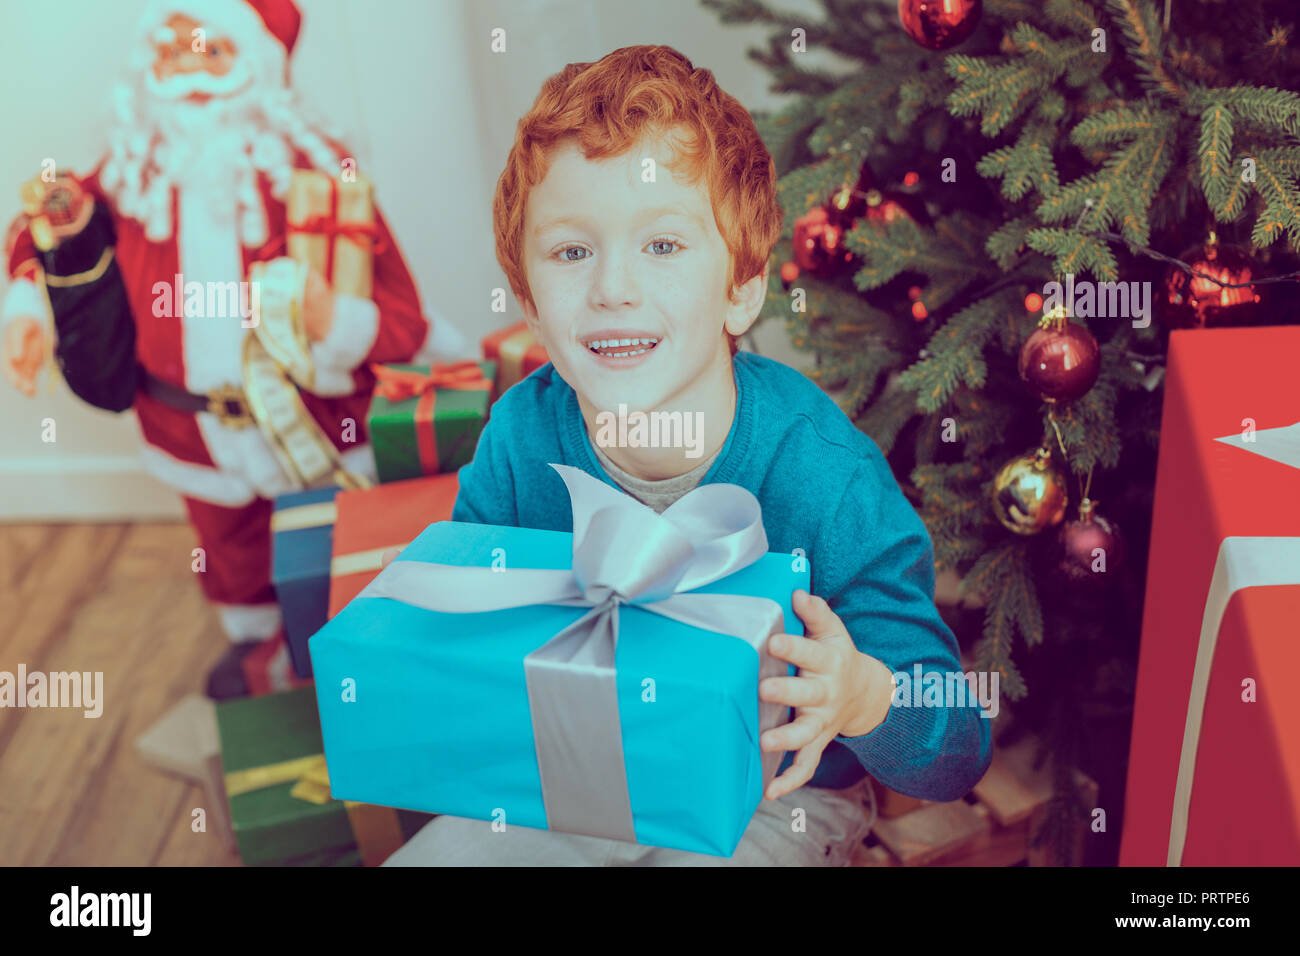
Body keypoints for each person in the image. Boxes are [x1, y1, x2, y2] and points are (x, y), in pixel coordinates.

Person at [385, 44, 992, 866]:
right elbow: (469, 624)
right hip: (574, 769)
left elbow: (956, 744)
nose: (612, 289)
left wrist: (859, 694)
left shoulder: (823, 475)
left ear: (741, 286)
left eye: (663, 246)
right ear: (528, 301)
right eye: (571, 252)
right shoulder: (521, 441)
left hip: (776, 799)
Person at [0, 0, 460, 698]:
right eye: (172, 50)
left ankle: (360, 668)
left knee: (331, 549)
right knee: (229, 552)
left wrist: (331, 314)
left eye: (211, 53)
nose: (188, 69)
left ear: (257, 65)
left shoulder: (317, 180)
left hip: (311, 424)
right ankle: (261, 658)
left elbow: (398, 314)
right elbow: (47, 227)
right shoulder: (130, 174)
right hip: (187, 424)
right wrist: (31, 303)